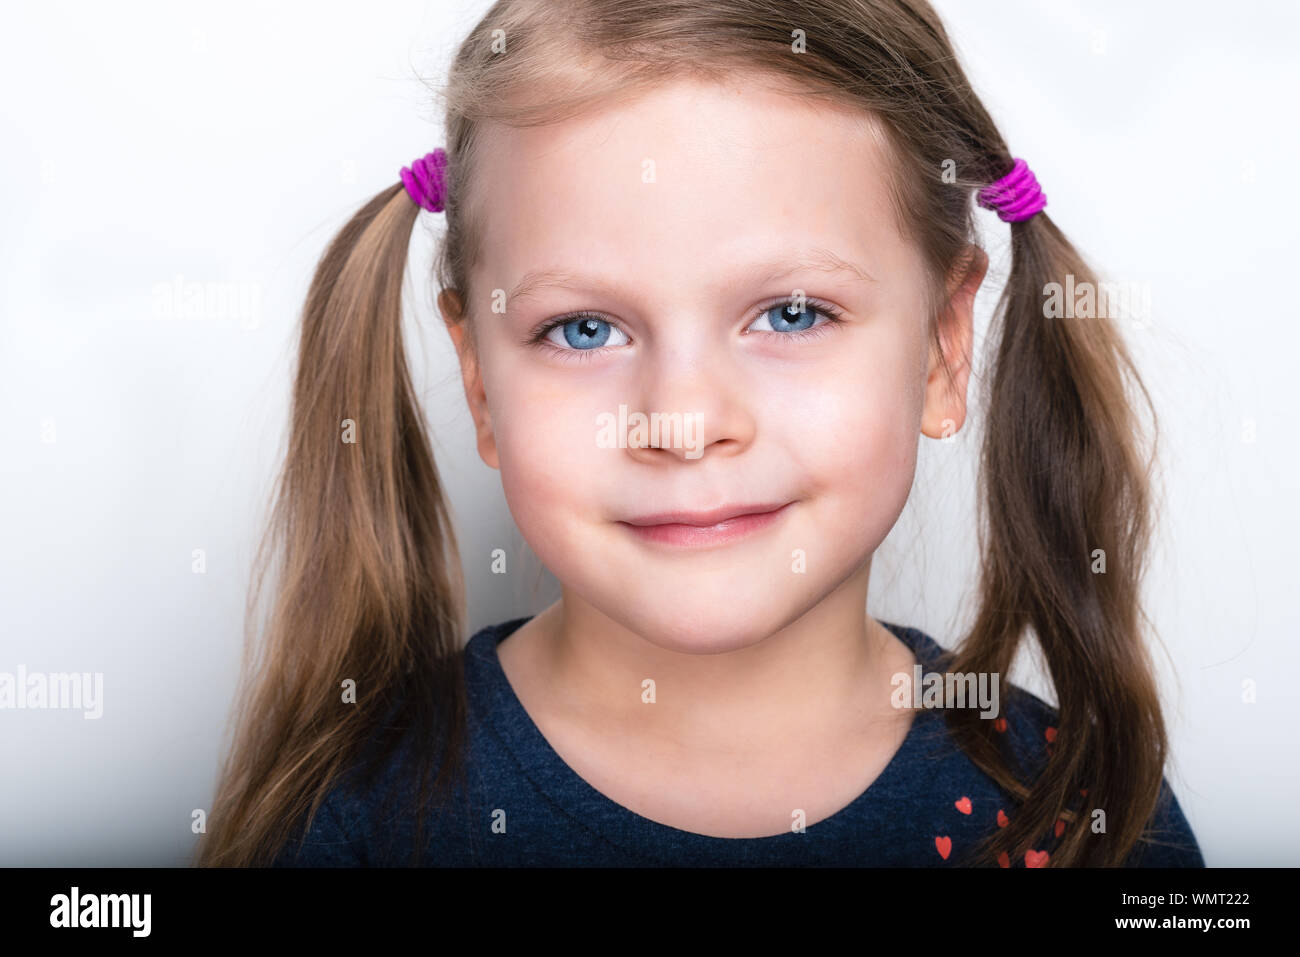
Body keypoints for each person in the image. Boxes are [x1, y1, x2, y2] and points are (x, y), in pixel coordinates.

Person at [197, 0, 1203, 868]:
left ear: (942, 352)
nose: (684, 423)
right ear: (479, 380)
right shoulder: (362, 817)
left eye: (792, 314)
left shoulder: (1084, 812)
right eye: (583, 329)